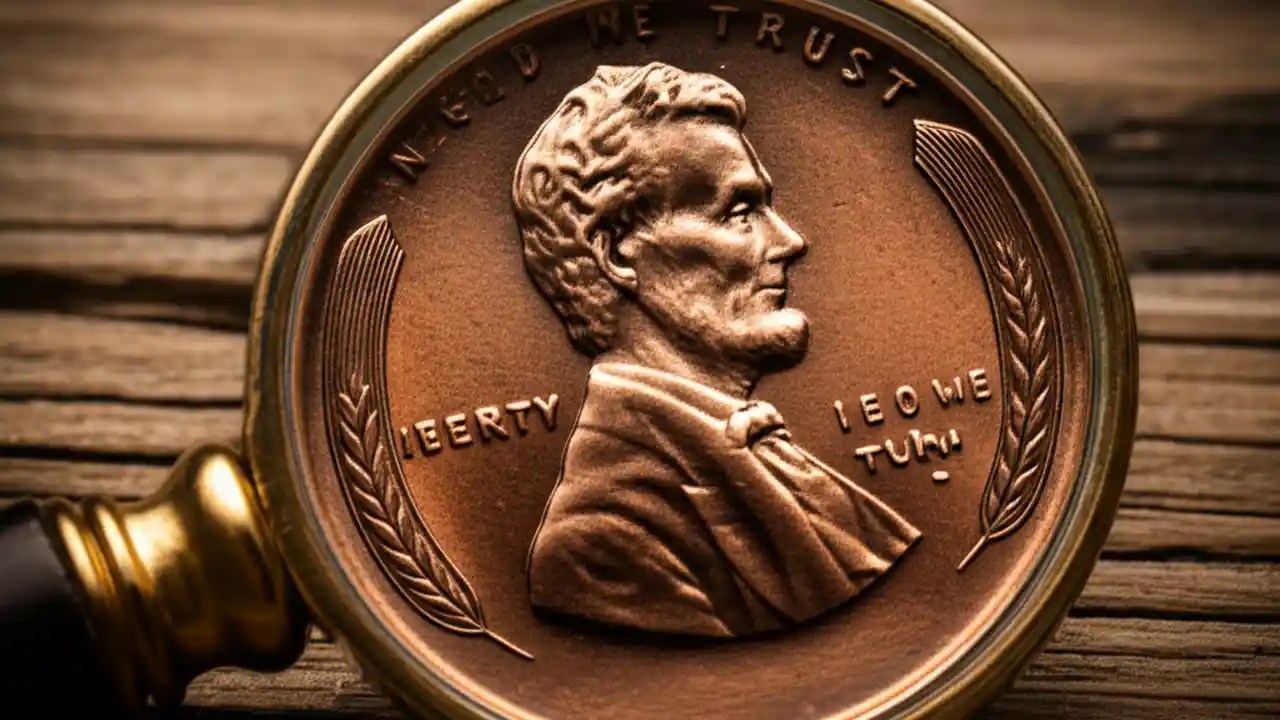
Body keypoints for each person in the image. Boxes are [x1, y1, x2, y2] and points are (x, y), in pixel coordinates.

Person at [512, 62, 921, 639]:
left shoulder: (757, 453)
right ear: (618, 254)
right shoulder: (601, 540)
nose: (789, 241)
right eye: (738, 212)